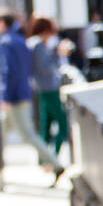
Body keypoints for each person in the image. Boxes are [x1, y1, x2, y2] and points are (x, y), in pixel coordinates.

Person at [0, 7, 65, 184]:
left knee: (27, 134)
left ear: (2, 22)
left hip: (14, 97)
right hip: (22, 93)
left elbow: (8, 71)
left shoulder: (6, 41)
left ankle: (55, 164)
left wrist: (5, 97)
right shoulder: (19, 40)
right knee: (2, 130)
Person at [27, 17, 70, 159]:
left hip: (43, 88)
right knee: (62, 123)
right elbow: (44, 68)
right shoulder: (38, 45)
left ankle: (44, 159)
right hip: (48, 88)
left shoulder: (37, 44)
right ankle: (53, 157)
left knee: (46, 125)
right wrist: (58, 54)